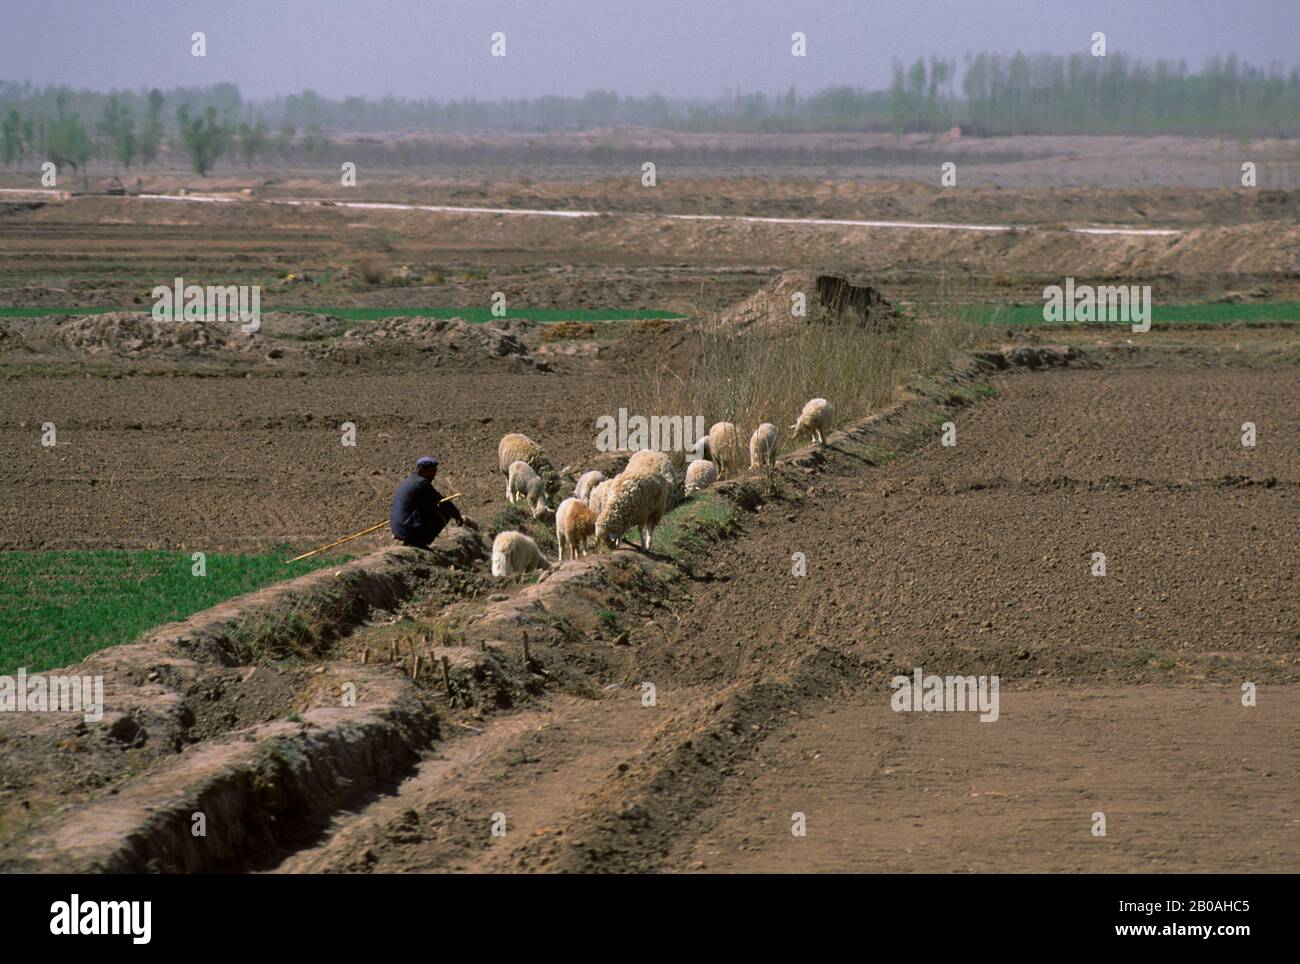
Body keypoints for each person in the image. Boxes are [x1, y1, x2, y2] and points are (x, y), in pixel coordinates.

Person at [389, 456, 463, 549]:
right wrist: (457, 515)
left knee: (430, 509)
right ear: (422, 470)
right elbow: (441, 501)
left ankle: (414, 539)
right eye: (432, 472)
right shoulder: (422, 484)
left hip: (398, 529)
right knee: (446, 510)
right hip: (407, 528)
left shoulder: (410, 480)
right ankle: (420, 541)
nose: (434, 476)